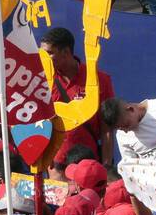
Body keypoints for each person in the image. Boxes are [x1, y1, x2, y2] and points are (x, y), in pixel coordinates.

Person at [40, 26, 114, 163]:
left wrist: (107, 165)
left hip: (88, 165)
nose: (43, 58)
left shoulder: (99, 79)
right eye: (42, 53)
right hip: (55, 167)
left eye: (49, 53)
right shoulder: (40, 81)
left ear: (66, 52)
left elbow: (107, 129)